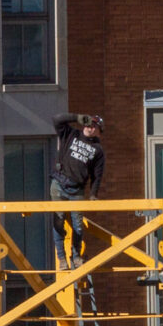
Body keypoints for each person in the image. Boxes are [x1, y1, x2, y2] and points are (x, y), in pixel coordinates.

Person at [50, 113, 105, 271]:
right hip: (59, 183)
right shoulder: (71, 134)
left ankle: (76, 257)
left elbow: (97, 176)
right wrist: (77, 117)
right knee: (58, 221)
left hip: (77, 189)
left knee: (78, 226)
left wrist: (93, 195)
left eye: (94, 125)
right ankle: (61, 258)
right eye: (88, 123)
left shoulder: (98, 150)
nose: (90, 127)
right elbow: (56, 120)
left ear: (99, 130)